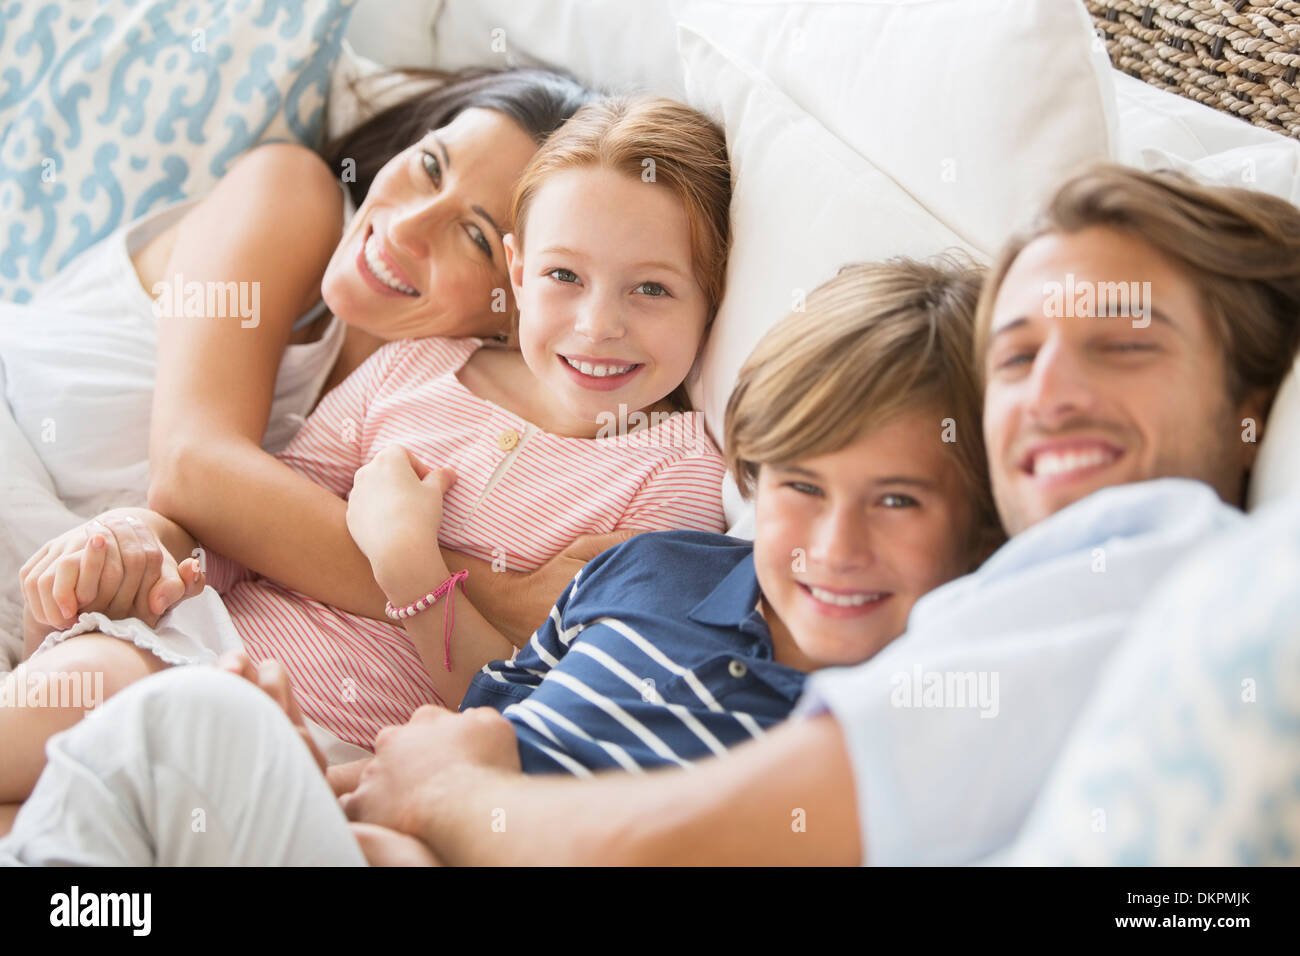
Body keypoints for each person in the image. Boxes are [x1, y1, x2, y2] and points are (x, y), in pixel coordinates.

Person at [6, 161, 1300, 864]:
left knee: (172, 740)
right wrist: (359, 776)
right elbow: (497, 695)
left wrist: (441, 788)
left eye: (1124, 345)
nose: (1053, 391)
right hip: (352, 768)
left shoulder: (1150, 578)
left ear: (1248, 392)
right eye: (1017, 358)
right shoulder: (955, 589)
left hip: (435, 813)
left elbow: (654, 833)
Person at [0, 250, 1003, 859]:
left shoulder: (910, 710)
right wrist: (307, 765)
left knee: (184, 729)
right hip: (372, 832)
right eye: (799, 487)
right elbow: (471, 709)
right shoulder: (663, 569)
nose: (834, 545)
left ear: (979, 520)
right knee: (169, 757)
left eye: (899, 500)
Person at [0, 96, 733, 805]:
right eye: (564, 276)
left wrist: (412, 563)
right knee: (70, 706)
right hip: (190, 647)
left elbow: (529, 704)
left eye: (652, 290)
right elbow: (228, 535)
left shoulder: (676, 474)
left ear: (714, 298)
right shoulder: (412, 369)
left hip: (331, 749)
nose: (598, 324)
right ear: (519, 273)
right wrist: (144, 547)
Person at [0, 67, 602, 659]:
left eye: (473, 235)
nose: (407, 226)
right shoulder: (289, 192)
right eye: (430, 167)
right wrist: (501, 595)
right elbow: (193, 470)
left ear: (519, 305)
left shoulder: (431, 407)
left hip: (50, 618)